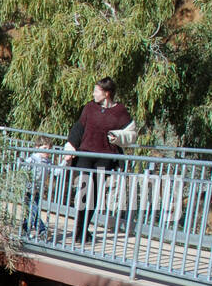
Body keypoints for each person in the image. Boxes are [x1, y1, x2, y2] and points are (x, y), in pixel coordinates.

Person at [61, 76, 137, 241]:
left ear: (107, 93)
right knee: (83, 194)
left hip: (105, 158)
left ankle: (83, 230)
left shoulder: (120, 112)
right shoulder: (89, 108)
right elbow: (79, 127)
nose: (94, 94)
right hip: (86, 156)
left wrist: (117, 136)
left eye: (97, 91)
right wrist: (70, 147)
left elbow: (131, 133)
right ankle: (80, 231)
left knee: (94, 194)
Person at [22, 136, 53, 239]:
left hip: (38, 190)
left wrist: (66, 161)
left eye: (49, 149)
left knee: (33, 211)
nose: (47, 152)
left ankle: (28, 229)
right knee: (33, 210)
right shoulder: (32, 159)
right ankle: (40, 230)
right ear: (37, 147)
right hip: (29, 189)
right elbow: (23, 170)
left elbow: (56, 172)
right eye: (44, 149)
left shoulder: (48, 162)